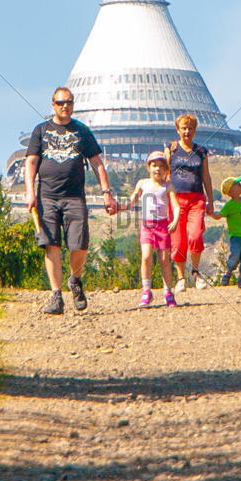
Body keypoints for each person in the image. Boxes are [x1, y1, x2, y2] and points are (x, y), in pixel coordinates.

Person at [24, 87, 119, 314]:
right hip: (47, 197)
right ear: (52, 105)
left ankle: (75, 280)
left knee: (79, 245)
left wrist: (107, 192)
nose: (64, 106)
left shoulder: (82, 131)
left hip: (75, 197)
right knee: (51, 244)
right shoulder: (41, 131)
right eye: (60, 103)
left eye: (68, 102)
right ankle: (56, 296)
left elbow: (96, 163)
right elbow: (30, 163)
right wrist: (30, 192)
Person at [165, 113, 214, 290]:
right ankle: (180, 278)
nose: (187, 131)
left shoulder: (201, 151)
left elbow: (206, 177)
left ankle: (195, 271)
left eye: (190, 128)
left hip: (196, 199)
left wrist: (211, 201)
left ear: (195, 130)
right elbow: (164, 175)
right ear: (178, 130)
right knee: (178, 240)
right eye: (184, 128)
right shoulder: (171, 149)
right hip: (176, 200)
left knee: (195, 234)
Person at [127, 151, 180, 308]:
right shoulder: (143, 183)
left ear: (166, 170)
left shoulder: (168, 186)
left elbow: (176, 206)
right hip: (147, 225)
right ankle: (146, 291)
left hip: (163, 225)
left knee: (164, 260)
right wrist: (119, 206)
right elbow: (132, 199)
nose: (158, 169)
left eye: (161, 167)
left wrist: (175, 220)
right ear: (148, 167)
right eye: (154, 165)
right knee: (146, 257)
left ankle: (168, 292)